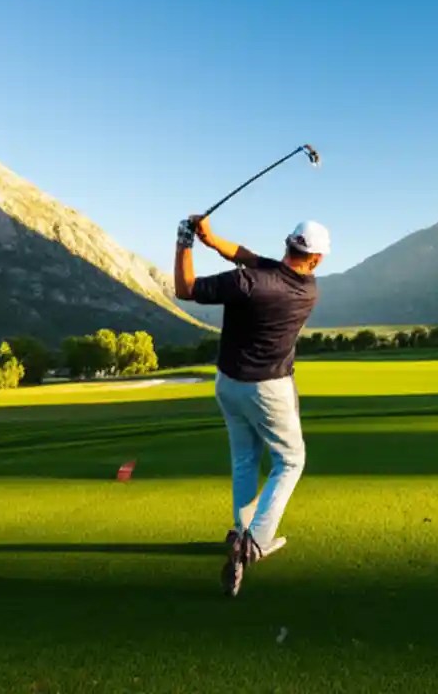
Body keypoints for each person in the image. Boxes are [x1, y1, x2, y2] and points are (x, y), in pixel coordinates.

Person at [173, 214, 330, 597]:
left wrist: (185, 242)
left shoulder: (247, 282)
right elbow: (248, 257)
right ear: (316, 260)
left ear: (288, 245)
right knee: (291, 460)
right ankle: (254, 542)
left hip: (228, 384)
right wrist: (212, 240)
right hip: (268, 389)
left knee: (245, 458)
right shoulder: (309, 289)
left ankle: (241, 531)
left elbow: (185, 288)